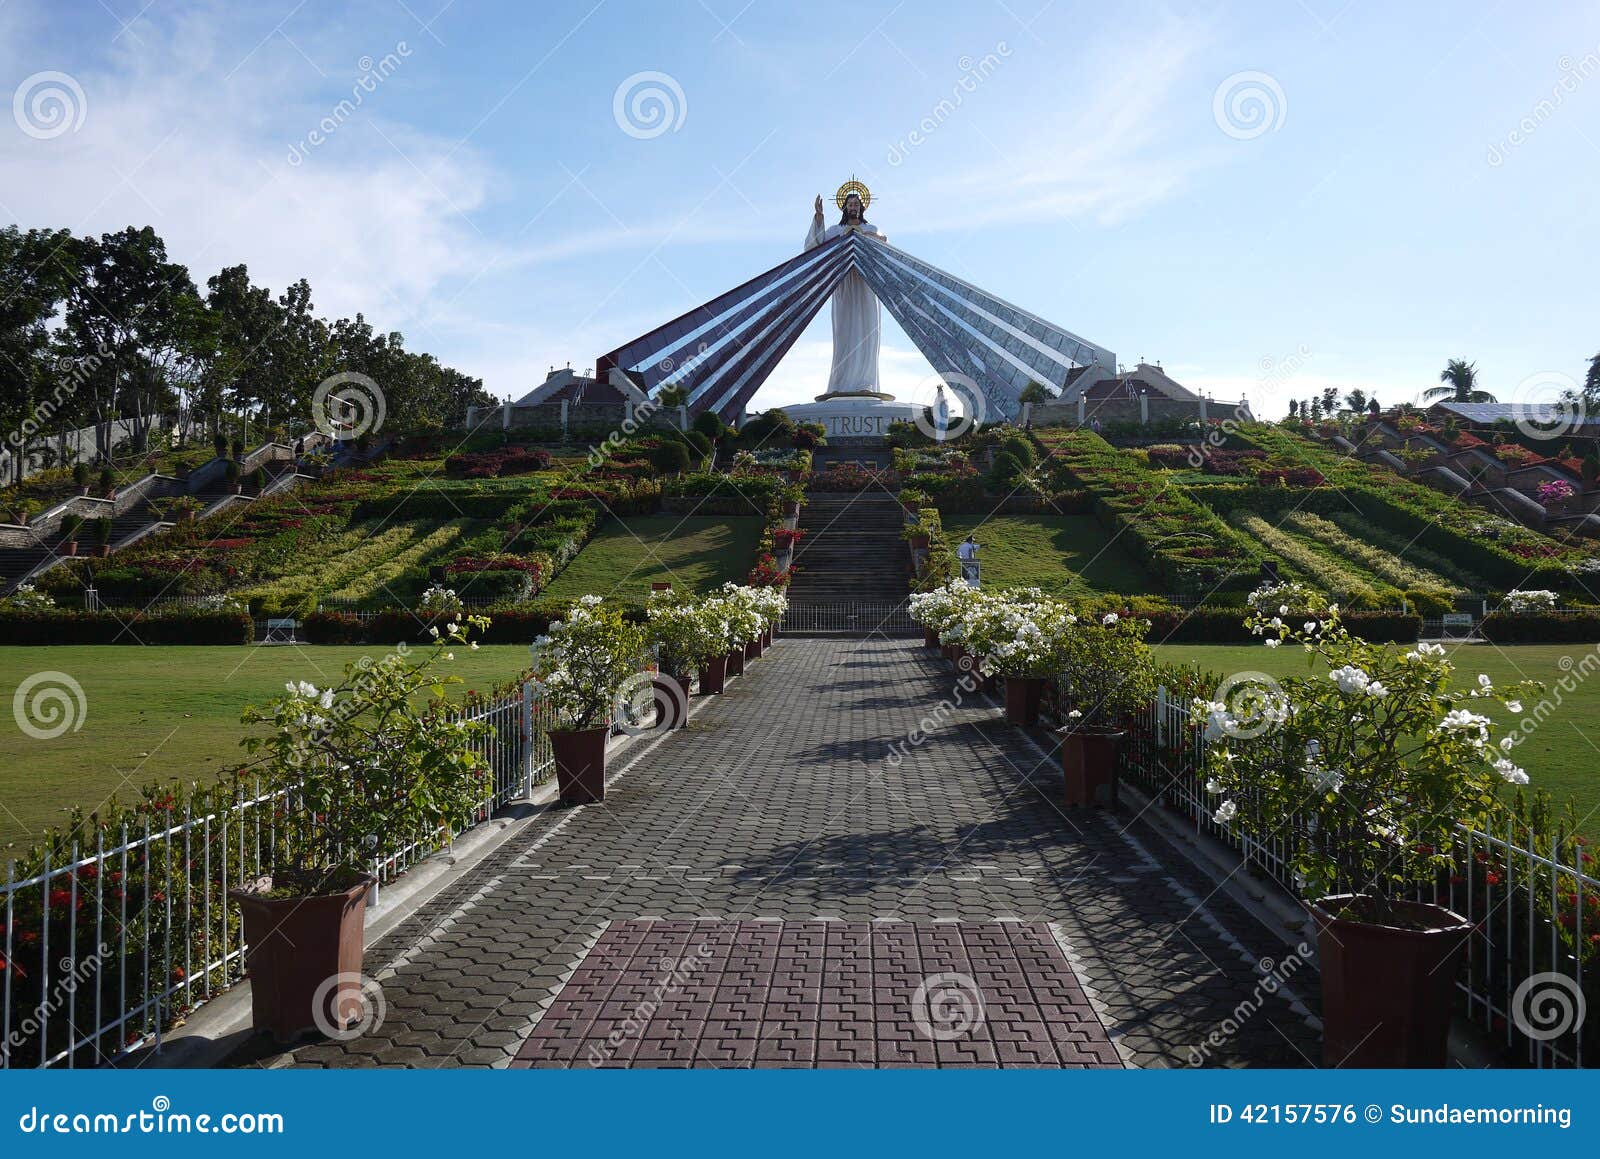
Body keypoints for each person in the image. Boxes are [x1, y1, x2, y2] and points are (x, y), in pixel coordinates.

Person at [805, 183, 886, 395]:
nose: (853, 207)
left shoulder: (870, 229)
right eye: (849, 204)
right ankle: (840, 384)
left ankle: (865, 383)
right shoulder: (836, 231)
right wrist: (819, 218)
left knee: (867, 331)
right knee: (844, 332)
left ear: (862, 207)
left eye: (856, 203)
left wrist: (861, 235)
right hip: (843, 284)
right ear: (844, 208)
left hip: (865, 284)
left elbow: (883, 242)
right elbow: (814, 246)